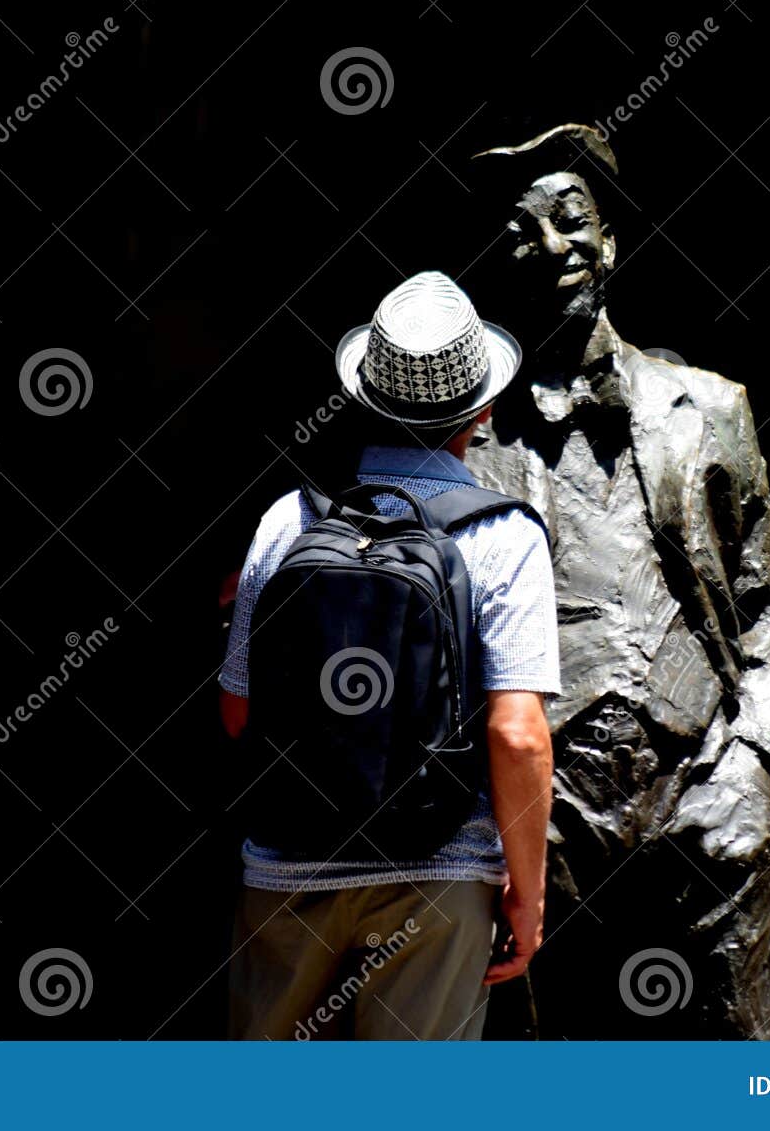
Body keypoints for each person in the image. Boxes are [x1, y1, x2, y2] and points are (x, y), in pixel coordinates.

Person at [461, 124, 770, 1037]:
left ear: (611, 240)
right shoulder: (466, 442)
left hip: (702, 776)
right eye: (523, 232)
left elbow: (765, 602)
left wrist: (756, 760)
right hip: (535, 800)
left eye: (573, 221)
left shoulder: (710, 410)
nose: (554, 247)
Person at [219, 270, 560, 1040]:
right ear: (483, 408)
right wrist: (526, 897)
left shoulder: (287, 518)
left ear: (366, 398)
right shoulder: (506, 535)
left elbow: (239, 711)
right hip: (437, 888)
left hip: (281, 878)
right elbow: (516, 733)